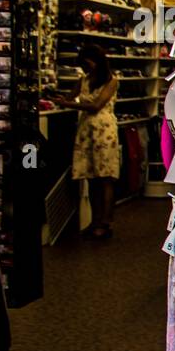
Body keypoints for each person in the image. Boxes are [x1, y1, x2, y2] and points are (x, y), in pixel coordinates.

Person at [55, 42, 119, 239]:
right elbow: (69, 97)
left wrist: (68, 103)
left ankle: (105, 222)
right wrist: (59, 99)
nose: (85, 67)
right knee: (92, 179)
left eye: (87, 63)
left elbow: (97, 105)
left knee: (105, 178)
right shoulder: (83, 79)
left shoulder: (111, 80)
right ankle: (95, 220)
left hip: (104, 131)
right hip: (86, 131)